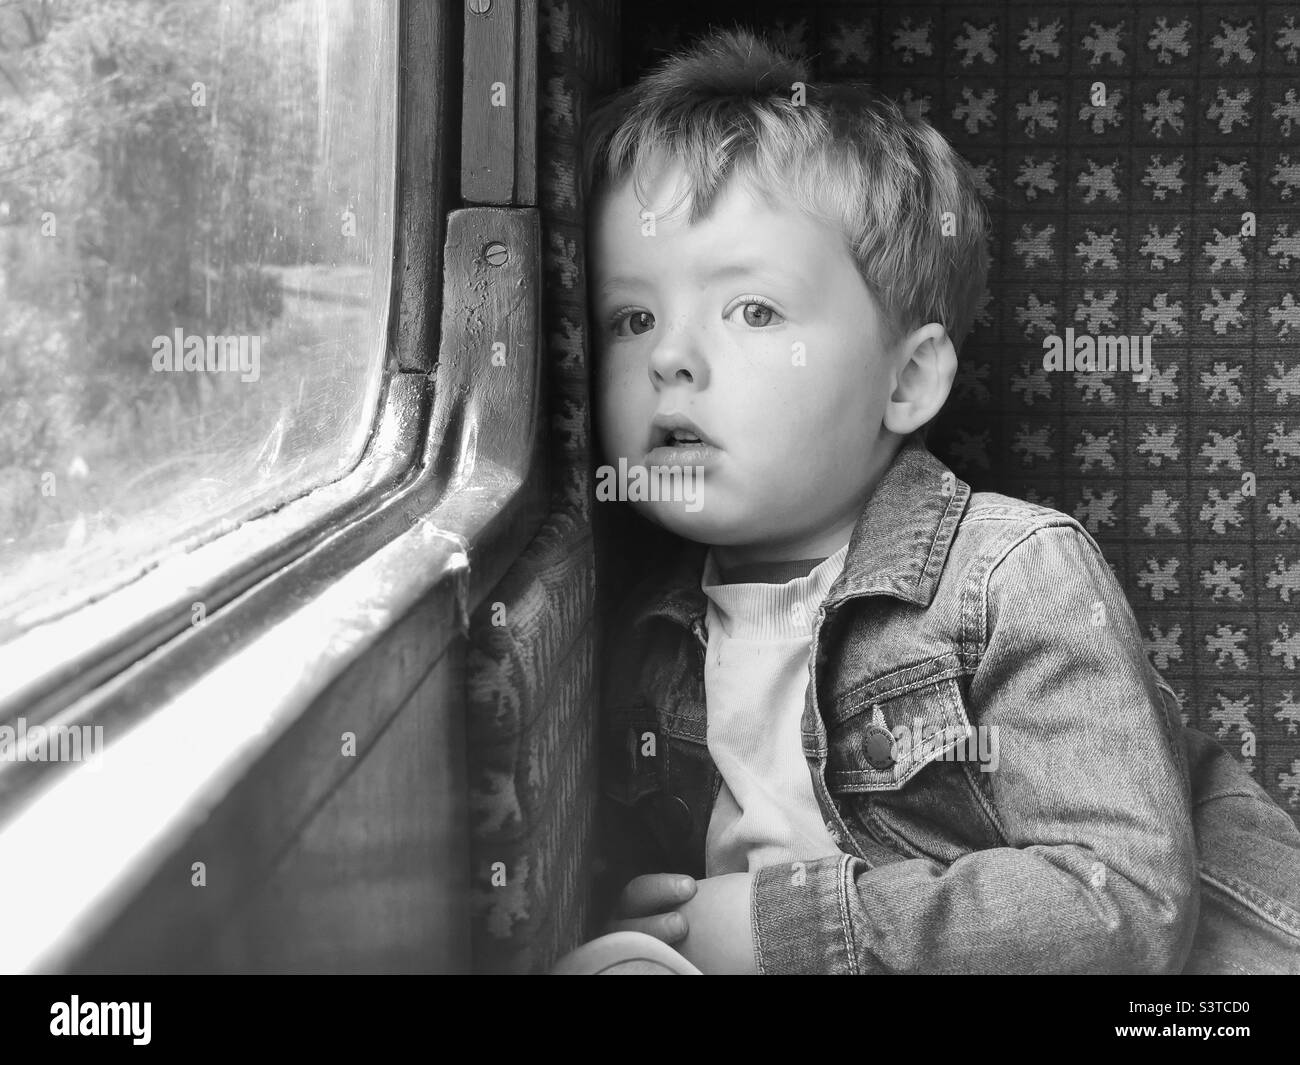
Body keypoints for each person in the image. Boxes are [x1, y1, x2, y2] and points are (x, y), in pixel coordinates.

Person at [554, 27, 1300, 975]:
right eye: (633, 317)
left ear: (904, 383)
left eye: (754, 311)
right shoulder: (645, 631)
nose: (669, 356)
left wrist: (787, 935)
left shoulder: (1011, 576)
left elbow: (1124, 907)